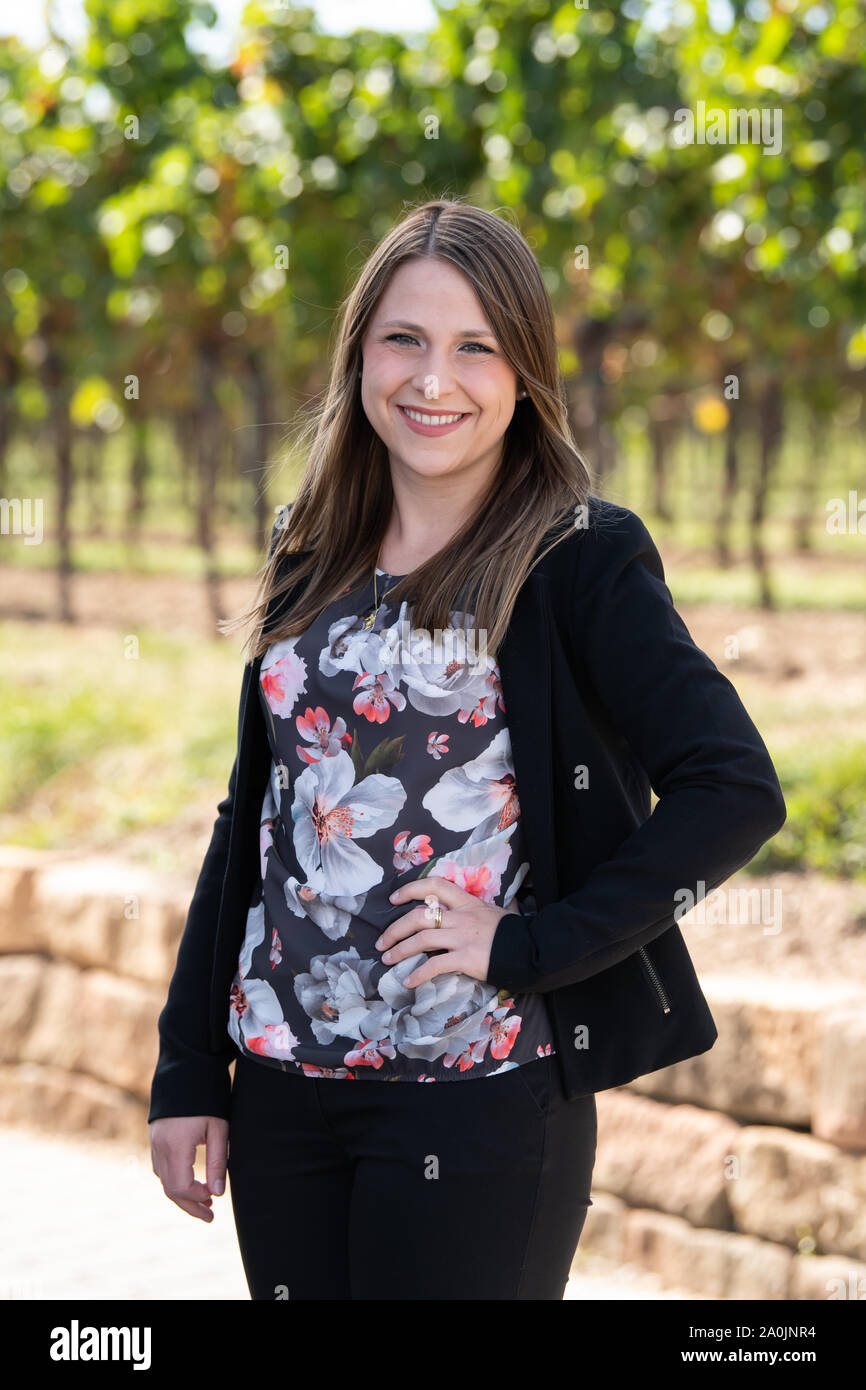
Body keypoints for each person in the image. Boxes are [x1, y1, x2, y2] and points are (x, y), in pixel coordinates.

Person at [148, 198, 786, 1301]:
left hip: (477, 1093)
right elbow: (253, 819)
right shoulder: (309, 551)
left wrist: (533, 947)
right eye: (404, 338)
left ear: (523, 372)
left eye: (473, 347)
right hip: (283, 1086)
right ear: (359, 354)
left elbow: (731, 787)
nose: (431, 379)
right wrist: (188, 1065)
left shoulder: (575, 556)